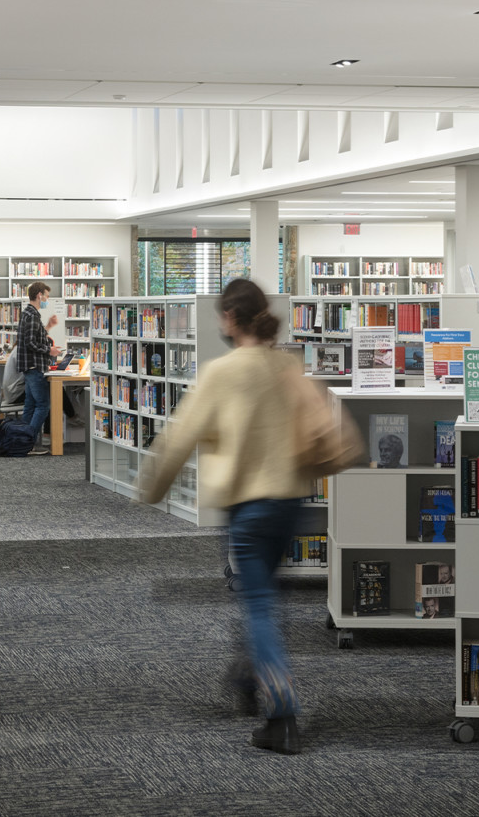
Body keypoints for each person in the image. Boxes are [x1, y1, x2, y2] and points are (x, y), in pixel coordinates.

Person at [140, 278, 310, 755]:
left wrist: (150, 489)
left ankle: (283, 714)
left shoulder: (223, 371)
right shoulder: (286, 366)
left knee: (257, 602)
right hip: (290, 500)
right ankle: (246, 676)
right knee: (262, 593)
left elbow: (180, 436)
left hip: (248, 505)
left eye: (220, 316)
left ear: (231, 319)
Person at [15, 281, 61, 439]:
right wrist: (50, 350)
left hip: (29, 366)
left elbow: (36, 336)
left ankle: (23, 441)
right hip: (35, 367)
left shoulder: (28, 314)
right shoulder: (32, 316)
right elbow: (31, 343)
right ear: (39, 295)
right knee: (43, 406)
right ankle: (28, 439)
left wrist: (48, 326)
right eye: (47, 296)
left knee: (30, 406)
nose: (47, 300)